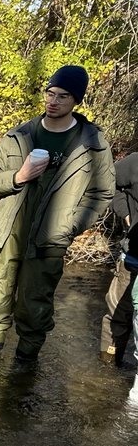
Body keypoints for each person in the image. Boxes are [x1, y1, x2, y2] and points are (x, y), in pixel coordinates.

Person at [0, 65, 115, 361]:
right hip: (9, 229)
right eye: (49, 93)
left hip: (50, 238)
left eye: (62, 96)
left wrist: (69, 226)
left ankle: (24, 369)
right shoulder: (19, 134)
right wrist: (18, 176)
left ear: (76, 101)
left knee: (35, 304)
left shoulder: (92, 144)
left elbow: (102, 193)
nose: (53, 101)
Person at [98, 153, 138, 364]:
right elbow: (108, 182)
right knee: (117, 319)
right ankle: (108, 368)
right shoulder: (134, 162)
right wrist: (126, 214)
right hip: (133, 258)